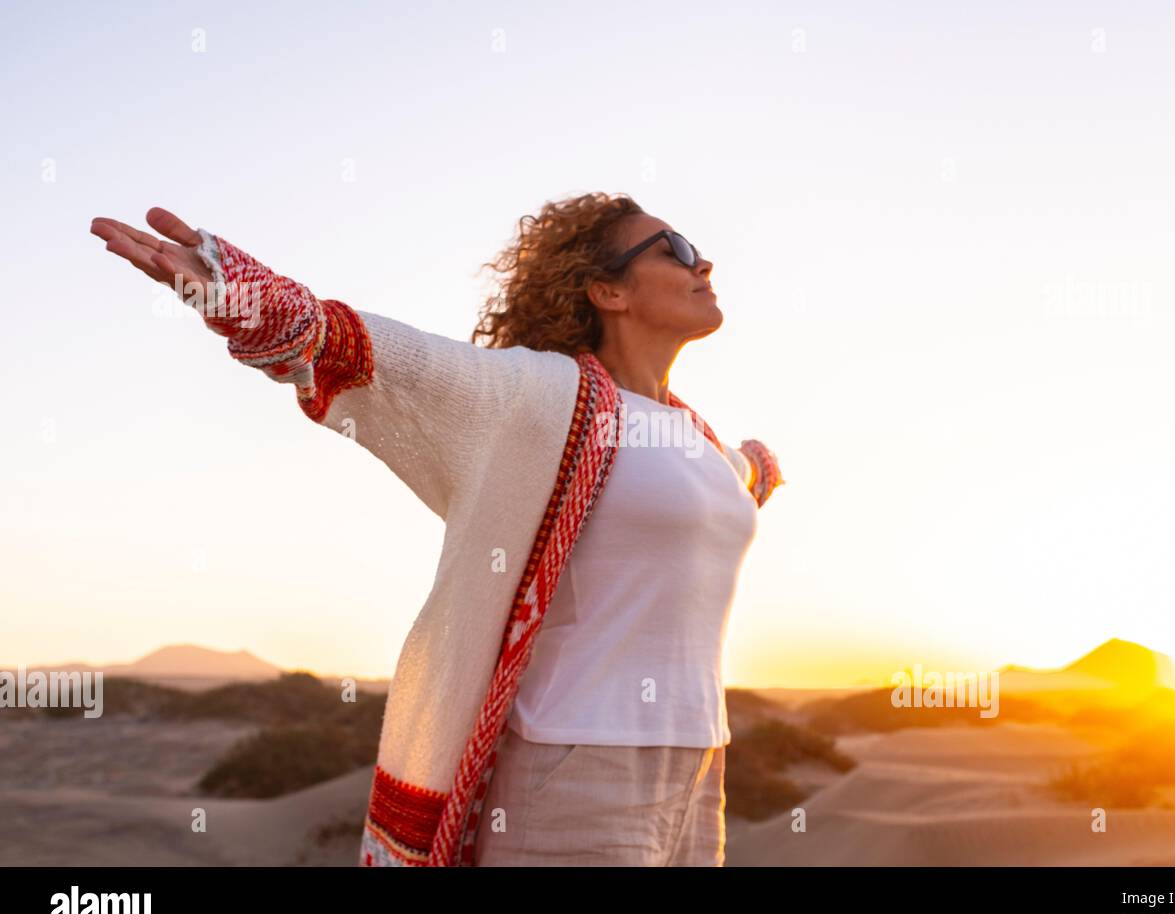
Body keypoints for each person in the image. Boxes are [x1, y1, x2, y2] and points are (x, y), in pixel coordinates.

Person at [90, 191, 784, 866]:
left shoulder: (701, 440)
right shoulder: (542, 397)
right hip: (578, 769)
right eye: (678, 250)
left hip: (700, 767)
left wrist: (757, 465)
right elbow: (390, 360)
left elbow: (740, 481)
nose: (704, 266)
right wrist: (246, 300)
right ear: (608, 291)